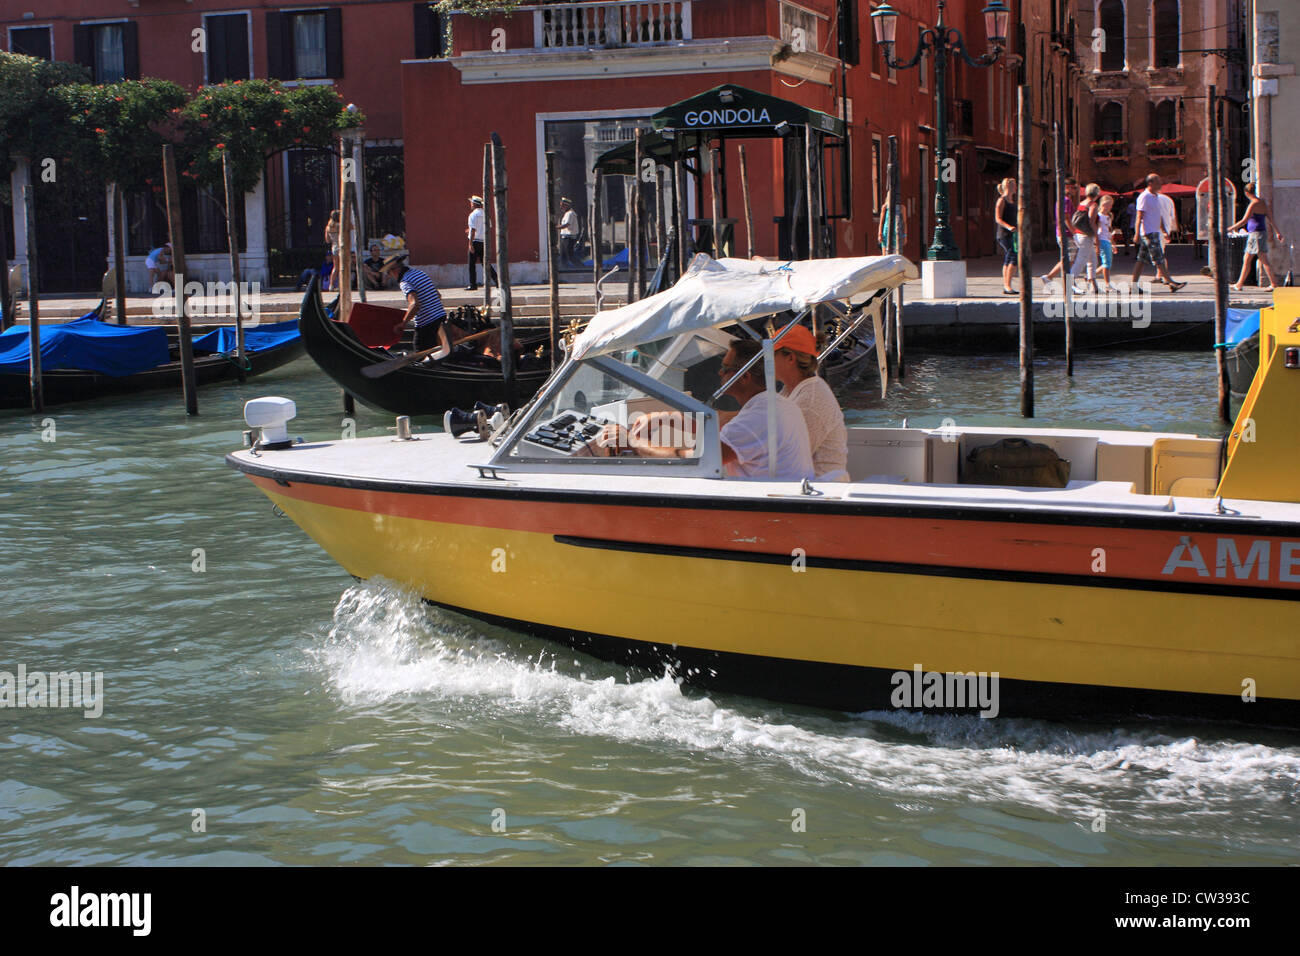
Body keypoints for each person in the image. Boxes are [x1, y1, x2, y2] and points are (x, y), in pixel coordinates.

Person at [772, 325, 848, 481]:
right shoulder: (791, 389)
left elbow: (788, 457)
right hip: (804, 484)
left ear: (790, 358)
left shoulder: (809, 400)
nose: (766, 360)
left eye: (771, 354)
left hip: (820, 489)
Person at [384, 256, 452, 357]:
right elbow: (438, 295)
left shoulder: (405, 282)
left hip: (426, 322)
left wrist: (403, 323)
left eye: (388, 272)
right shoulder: (419, 273)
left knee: (420, 354)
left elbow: (414, 304)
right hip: (440, 316)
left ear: (394, 270)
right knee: (435, 352)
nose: (389, 276)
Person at [1131, 174, 1186, 291]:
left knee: (1141, 260)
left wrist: (1164, 230)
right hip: (1148, 233)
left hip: (1154, 231)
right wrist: (1136, 234)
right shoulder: (1144, 197)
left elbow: (1158, 215)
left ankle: (1133, 286)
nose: (1160, 184)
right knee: (1159, 259)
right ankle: (1171, 283)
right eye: (1158, 182)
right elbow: (1139, 216)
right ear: (1150, 183)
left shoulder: (1155, 197)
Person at [1229, 181, 1286, 290]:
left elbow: (1244, 220)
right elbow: (1271, 218)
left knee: (1261, 260)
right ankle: (1239, 284)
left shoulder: (1253, 204)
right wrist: (1278, 232)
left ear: (1246, 193)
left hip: (1255, 235)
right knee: (1248, 259)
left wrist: (1230, 228)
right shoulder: (1263, 202)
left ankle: (1273, 283)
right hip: (1261, 233)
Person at [1040, 177, 1079, 288]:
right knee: (1069, 260)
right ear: (1067, 188)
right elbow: (1066, 218)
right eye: (1074, 188)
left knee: (1068, 259)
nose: (1076, 190)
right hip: (1066, 234)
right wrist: (1074, 233)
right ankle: (1068, 283)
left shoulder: (1063, 200)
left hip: (1064, 233)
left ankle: (1050, 277)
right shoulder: (1066, 201)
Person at [1068, 183, 1101, 294]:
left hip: (1078, 234)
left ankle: (1093, 284)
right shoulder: (1093, 205)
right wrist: (1096, 237)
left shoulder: (1082, 203)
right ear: (1097, 193)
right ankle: (1070, 283)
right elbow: (1092, 222)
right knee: (1081, 260)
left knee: (1092, 260)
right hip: (1086, 236)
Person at [466, 195, 497, 290]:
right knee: (486, 263)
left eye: (472, 203)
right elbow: (487, 228)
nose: (471, 204)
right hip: (484, 242)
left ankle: (473, 284)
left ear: (474, 204)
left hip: (475, 241)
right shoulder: (485, 214)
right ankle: (497, 281)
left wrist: (470, 244)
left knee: (471, 264)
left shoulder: (473, 215)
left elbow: (473, 230)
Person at [994, 178, 1018, 294]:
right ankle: (1007, 285)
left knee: (1009, 257)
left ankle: (1007, 285)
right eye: (1014, 185)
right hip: (1004, 234)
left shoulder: (1013, 201)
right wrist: (1009, 227)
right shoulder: (1001, 200)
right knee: (1013, 256)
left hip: (1013, 234)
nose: (1016, 187)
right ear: (1008, 186)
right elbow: (998, 218)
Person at [1096, 194, 1117, 292]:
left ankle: (1091, 276)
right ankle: (1107, 284)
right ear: (1103, 204)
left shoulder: (1108, 216)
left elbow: (1109, 230)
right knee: (1106, 263)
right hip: (1101, 239)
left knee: (1108, 262)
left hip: (1107, 240)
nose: (1109, 207)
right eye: (1108, 205)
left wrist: (1113, 243)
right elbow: (1096, 229)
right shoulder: (1098, 216)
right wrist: (1096, 242)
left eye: (1111, 205)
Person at [558, 197, 580, 269]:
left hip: (569, 237)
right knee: (563, 255)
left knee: (569, 255)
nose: (561, 207)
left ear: (566, 205)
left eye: (562, 205)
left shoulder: (570, 213)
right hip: (564, 237)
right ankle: (564, 268)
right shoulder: (567, 213)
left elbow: (567, 224)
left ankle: (580, 267)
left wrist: (557, 227)